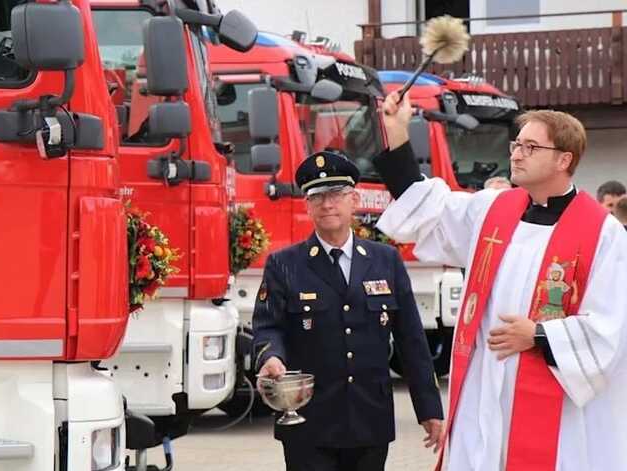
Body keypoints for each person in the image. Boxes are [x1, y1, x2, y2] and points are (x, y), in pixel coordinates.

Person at [374, 92, 627, 470]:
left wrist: (539, 335)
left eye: (530, 146)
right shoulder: (493, 208)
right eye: (516, 144)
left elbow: (612, 326)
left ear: (564, 159)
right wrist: (397, 131)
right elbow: (427, 208)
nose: (517, 154)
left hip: (556, 399)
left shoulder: (603, 234)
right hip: (483, 384)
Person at [252, 150, 444, 471]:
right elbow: (268, 325)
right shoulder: (285, 264)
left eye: (337, 194)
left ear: (354, 199)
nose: (327, 204)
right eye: (317, 196)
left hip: (370, 418)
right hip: (309, 421)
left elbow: (412, 341)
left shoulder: (386, 260)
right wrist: (271, 356)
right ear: (307, 205)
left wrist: (429, 409)